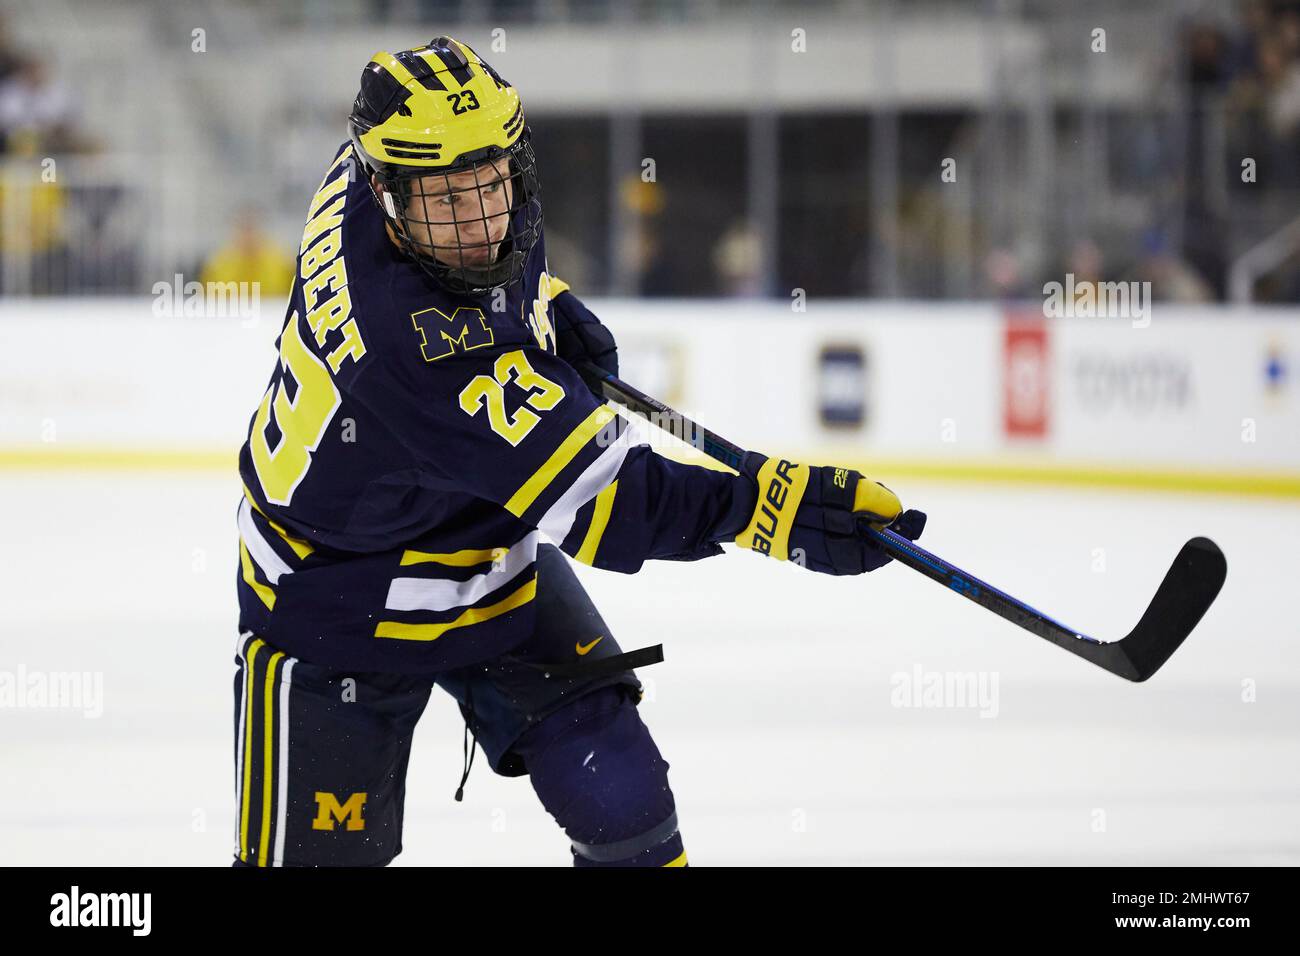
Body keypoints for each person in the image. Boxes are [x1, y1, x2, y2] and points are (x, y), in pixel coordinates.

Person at [231, 35, 925, 868]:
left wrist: (544, 311)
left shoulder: (371, 173)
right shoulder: (415, 348)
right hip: (336, 598)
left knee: (624, 801)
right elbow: (613, 506)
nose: (483, 223)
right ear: (388, 191)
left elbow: (492, 289)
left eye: (491, 182)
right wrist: (769, 508)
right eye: (449, 199)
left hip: (481, 550)